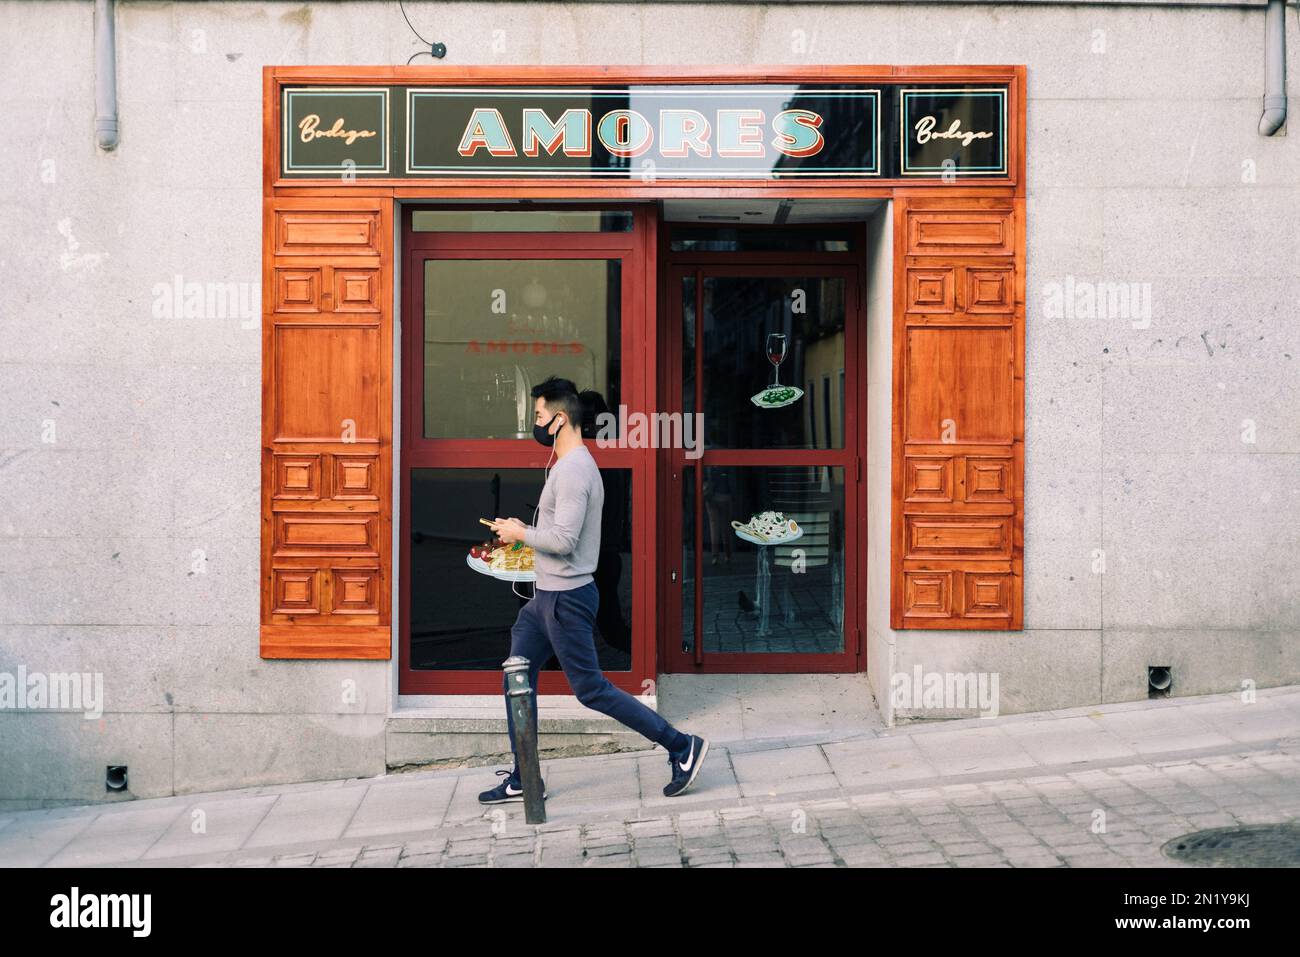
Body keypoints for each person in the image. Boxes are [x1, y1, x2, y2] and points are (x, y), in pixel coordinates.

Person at [478, 375, 708, 803]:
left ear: (560, 419)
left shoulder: (575, 472)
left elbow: (564, 541)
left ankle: (681, 746)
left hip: (566, 600)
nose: (537, 423)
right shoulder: (566, 468)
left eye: (540, 415)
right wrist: (522, 531)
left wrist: (521, 533)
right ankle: (525, 777)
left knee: (591, 689)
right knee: (516, 676)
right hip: (544, 600)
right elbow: (557, 532)